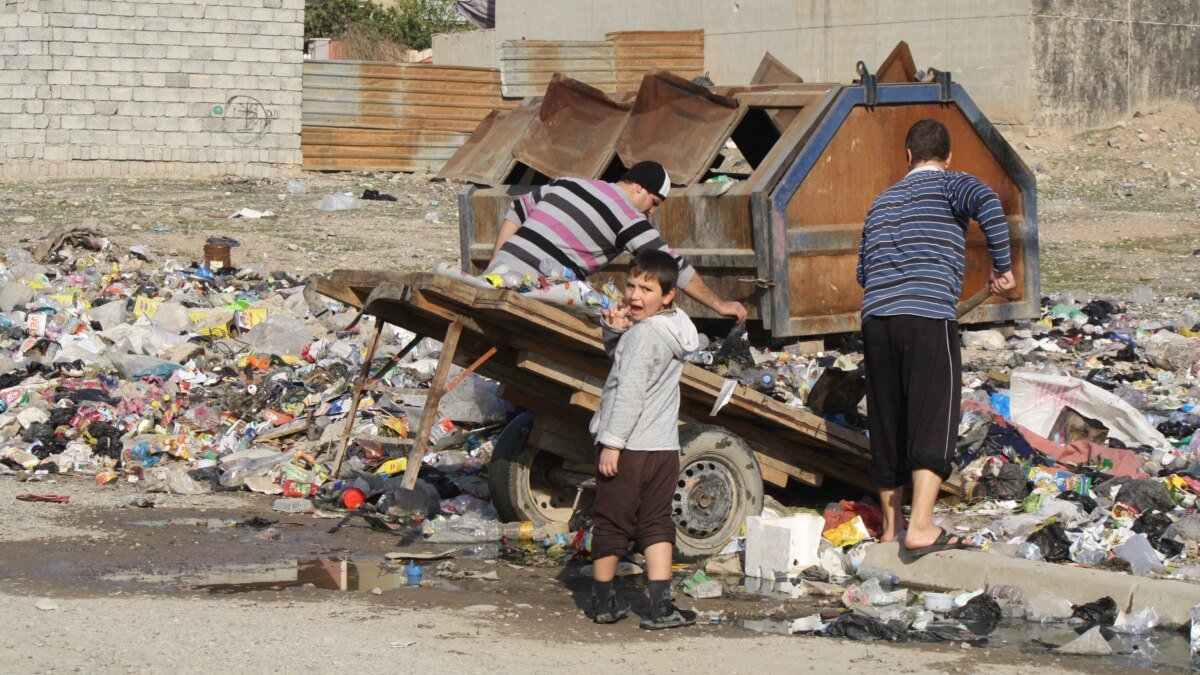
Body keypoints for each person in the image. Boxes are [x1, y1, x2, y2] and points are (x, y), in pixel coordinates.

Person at [856, 119, 1016, 557]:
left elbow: (862, 272)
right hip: (926, 316)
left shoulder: (881, 202)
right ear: (948, 157)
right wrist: (1001, 267)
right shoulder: (952, 185)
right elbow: (988, 201)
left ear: (907, 156)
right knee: (932, 416)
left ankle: (891, 529)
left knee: (888, 422)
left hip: (877, 319)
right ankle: (922, 527)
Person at [487, 160, 747, 323]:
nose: (652, 211)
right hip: (538, 289)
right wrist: (719, 304)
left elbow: (517, 210)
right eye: (654, 203)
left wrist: (498, 262)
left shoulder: (568, 183)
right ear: (639, 188)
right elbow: (673, 266)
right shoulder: (626, 215)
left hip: (498, 275)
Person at [587, 249, 699, 630]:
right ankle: (661, 608)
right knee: (655, 523)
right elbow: (631, 366)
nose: (634, 295)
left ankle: (603, 603)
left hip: (630, 448)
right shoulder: (676, 328)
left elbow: (628, 390)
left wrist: (612, 442)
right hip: (663, 447)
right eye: (631, 285)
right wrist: (617, 333)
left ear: (668, 295)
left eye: (646, 289)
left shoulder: (643, 336)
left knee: (611, 523)